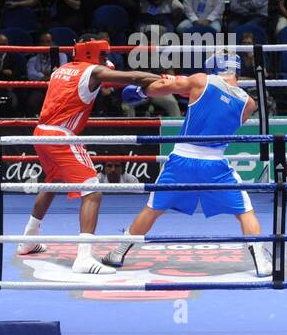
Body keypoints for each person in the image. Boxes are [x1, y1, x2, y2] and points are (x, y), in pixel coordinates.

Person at [105, 52, 272, 276]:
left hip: (181, 160)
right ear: (238, 71)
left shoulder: (201, 80)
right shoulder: (249, 104)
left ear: (212, 68)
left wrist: (140, 91)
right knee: (245, 211)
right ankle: (260, 259)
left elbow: (161, 88)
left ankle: (118, 252)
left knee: (153, 208)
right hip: (215, 163)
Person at [15, 37, 160, 275]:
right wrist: (165, 79)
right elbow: (132, 77)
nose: (106, 59)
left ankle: (28, 239)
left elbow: (102, 74)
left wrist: (106, 69)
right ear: (93, 55)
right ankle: (83, 257)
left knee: (52, 183)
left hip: (41, 132)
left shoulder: (61, 70)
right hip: (61, 135)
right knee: (92, 189)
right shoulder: (94, 71)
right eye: (103, 54)